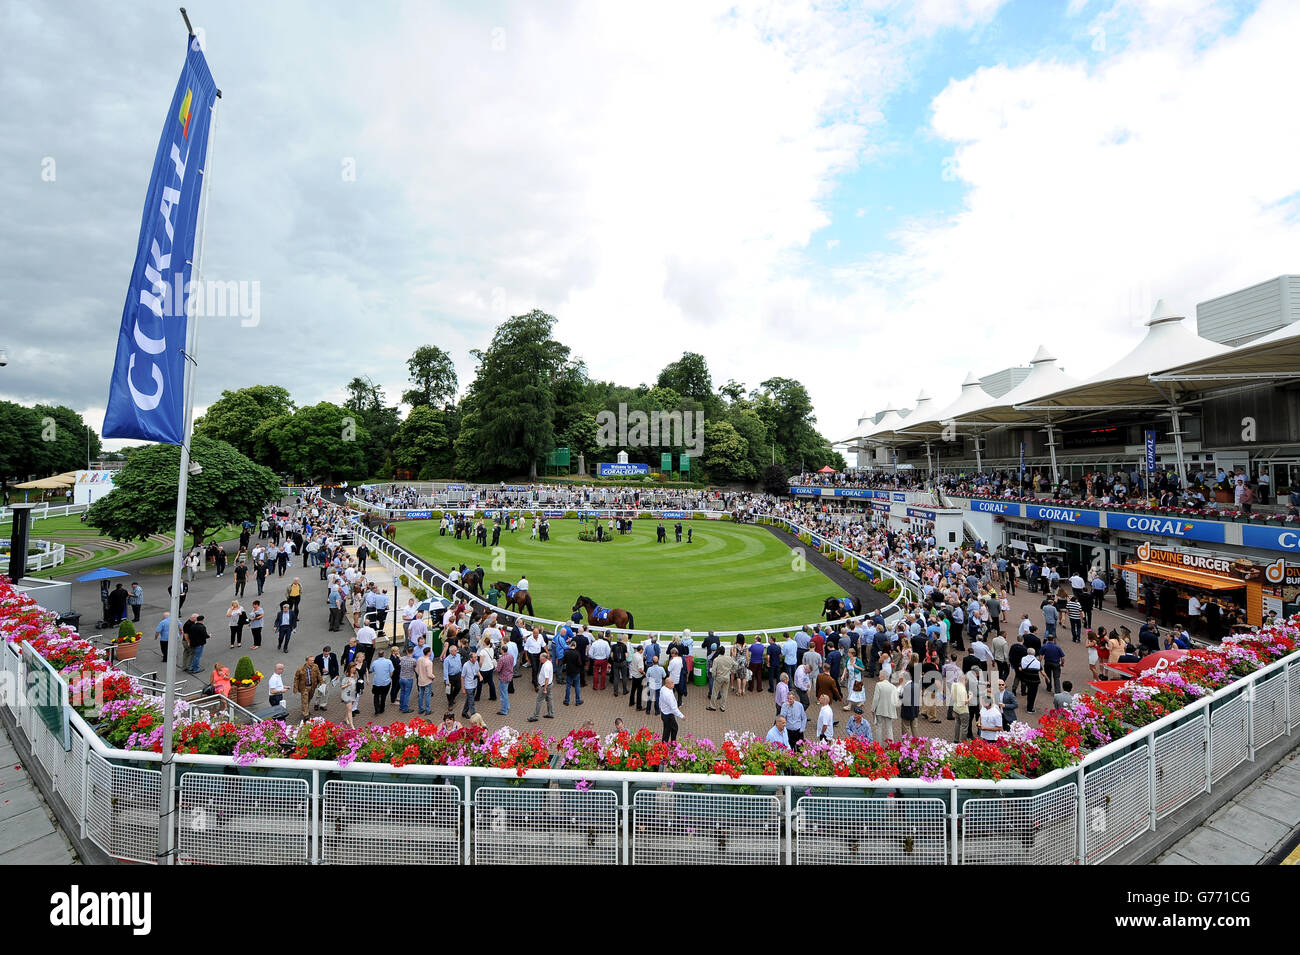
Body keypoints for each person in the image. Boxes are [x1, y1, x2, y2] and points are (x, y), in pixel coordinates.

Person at [871, 671, 900, 742]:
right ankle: (891, 746)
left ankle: (879, 745)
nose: (879, 676)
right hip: (889, 710)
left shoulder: (878, 685)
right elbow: (896, 702)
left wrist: (873, 709)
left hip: (880, 710)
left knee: (879, 728)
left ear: (883, 676)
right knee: (889, 728)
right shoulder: (893, 687)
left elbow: (876, 699)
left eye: (880, 675)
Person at [527, 651, 555, 721]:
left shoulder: (546, 666)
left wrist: (545, 688)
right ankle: (551, 713)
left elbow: (546, 678)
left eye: (540, 658)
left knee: (539, 700)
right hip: (550, 684)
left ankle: (535, 716)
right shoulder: (549, 662)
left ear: (544, 658)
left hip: (545, 686)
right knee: (549, 699)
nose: (539, 659)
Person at [707, 644, 735, 712]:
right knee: (724, 693)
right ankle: (723, 707)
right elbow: (735, 664)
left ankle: (713, 706)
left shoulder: (716, 660)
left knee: (714, 693)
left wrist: (714, 676)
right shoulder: (729, 658)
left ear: (718, 651)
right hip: (726, 678)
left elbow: (713, 671)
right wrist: (731, 671)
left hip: (719, 678)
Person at [292, 656, 322, 720]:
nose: (313, 662)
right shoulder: (300, 669)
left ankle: (306, 710)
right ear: (307, 661)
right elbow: (296, 679)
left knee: (309, 699)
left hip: (312, 686)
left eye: (313, 660)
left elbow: (319, 675)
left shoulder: (315, 666)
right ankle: (305, 714)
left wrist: (321, 682)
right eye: (311, 660)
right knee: (304, 700)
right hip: (304, 687)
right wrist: (295, 687)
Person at [659, 677, 685, 742]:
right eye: (672, 683)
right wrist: (682, 716)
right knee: (674, 728)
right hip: (668, 715)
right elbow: (674, 708)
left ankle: (666, 744)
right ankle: (671, 744)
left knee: (667, 729)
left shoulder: (663, 688)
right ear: (667, 684)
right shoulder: (668, 695)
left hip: (664, 713)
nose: (673, 684)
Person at [369, 650, 395, 715]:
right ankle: (382, 709)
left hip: (376, 682)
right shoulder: (389, 661)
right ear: (384, 655)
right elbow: (392, 671)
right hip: (386, 682)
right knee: (384, 695)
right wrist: (389, 677)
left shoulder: (374, 662)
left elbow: (371, 670)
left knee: (376, 695)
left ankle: (376, 709)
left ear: (378, 655)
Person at [495, 645, 514, 716]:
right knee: (505, 692)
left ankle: (504, 710)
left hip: (503, 677)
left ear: (502, 650)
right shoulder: (511, 656)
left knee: (503, 694)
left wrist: (495, 666)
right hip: (509, 676)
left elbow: (498, 669)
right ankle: (507, 706)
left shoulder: (501, 659)